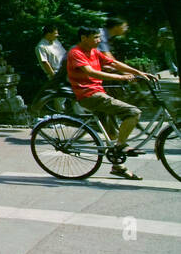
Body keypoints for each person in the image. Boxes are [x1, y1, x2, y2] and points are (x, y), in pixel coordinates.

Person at [67, 25, 156, 179]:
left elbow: (113, 63)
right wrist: (121, 78)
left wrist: (138, 72)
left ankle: (118, 166)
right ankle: (122, 146)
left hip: (98, 93)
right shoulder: (76, 53)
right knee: (133, 112)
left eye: (99, 37)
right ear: (83, 38)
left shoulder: (94, 51)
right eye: (95, 37)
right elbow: (91, 72)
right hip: (89, 95)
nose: (99, 40)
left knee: (112, 135)